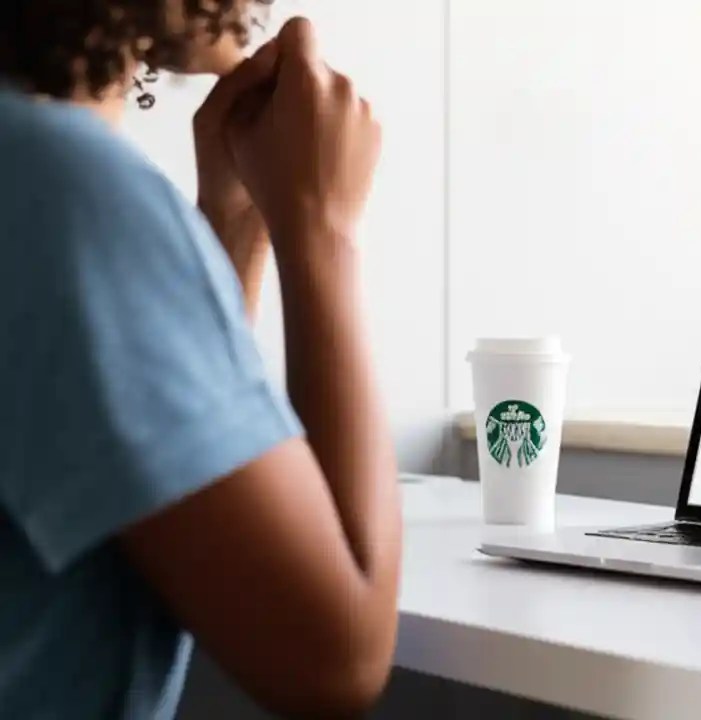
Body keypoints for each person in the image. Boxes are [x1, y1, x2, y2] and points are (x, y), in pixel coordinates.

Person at [0, 2, 403, 718]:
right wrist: (322, 229)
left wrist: (236, 221)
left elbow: (159, 465)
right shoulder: (64, 190)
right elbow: (336, 661)